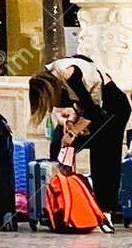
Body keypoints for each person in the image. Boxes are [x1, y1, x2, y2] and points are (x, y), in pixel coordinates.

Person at [29, 53, 132, 215]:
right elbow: (83, 102)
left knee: (104, 155)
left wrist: (73, 133)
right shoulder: (55, 74)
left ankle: (106, 207)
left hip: (114, 108)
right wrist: (71, 122)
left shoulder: (68, 73)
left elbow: (92, 112)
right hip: (98, 110)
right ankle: (62, 195)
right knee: (59, 143)